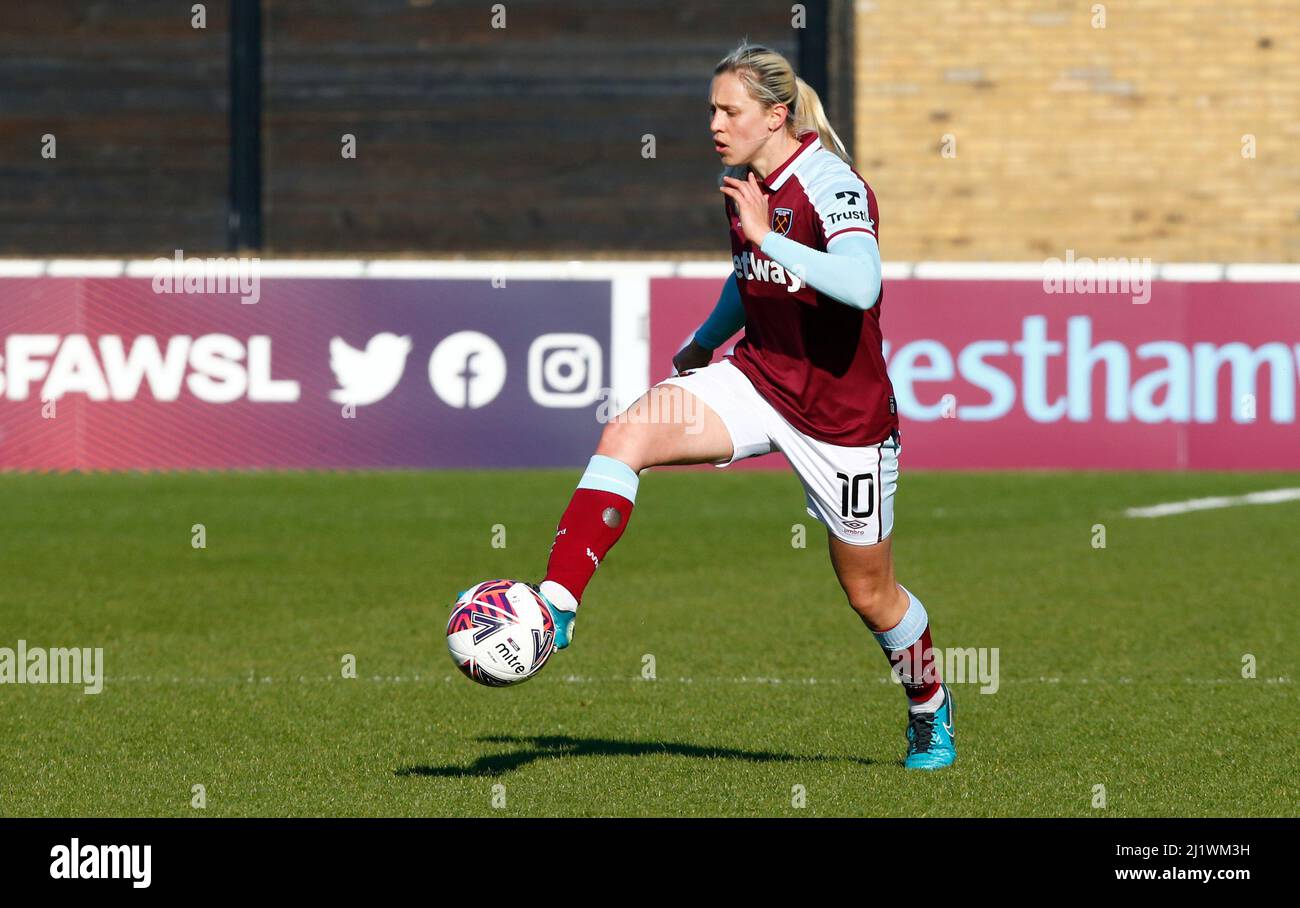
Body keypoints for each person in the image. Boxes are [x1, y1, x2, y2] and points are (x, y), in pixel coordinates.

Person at [530, 43, 955, 770]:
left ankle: (928, 709)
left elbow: (860, 284)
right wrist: (705, 338)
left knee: (870, 593)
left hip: (845, 423)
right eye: (711, 110)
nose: (715, 124)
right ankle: (556, 606)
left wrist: (764, 235)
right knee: (628, 430)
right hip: (757, 380)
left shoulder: (832, 184)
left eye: (730, 110)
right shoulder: (741, 179)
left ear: (775, 115)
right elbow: (747, 276)